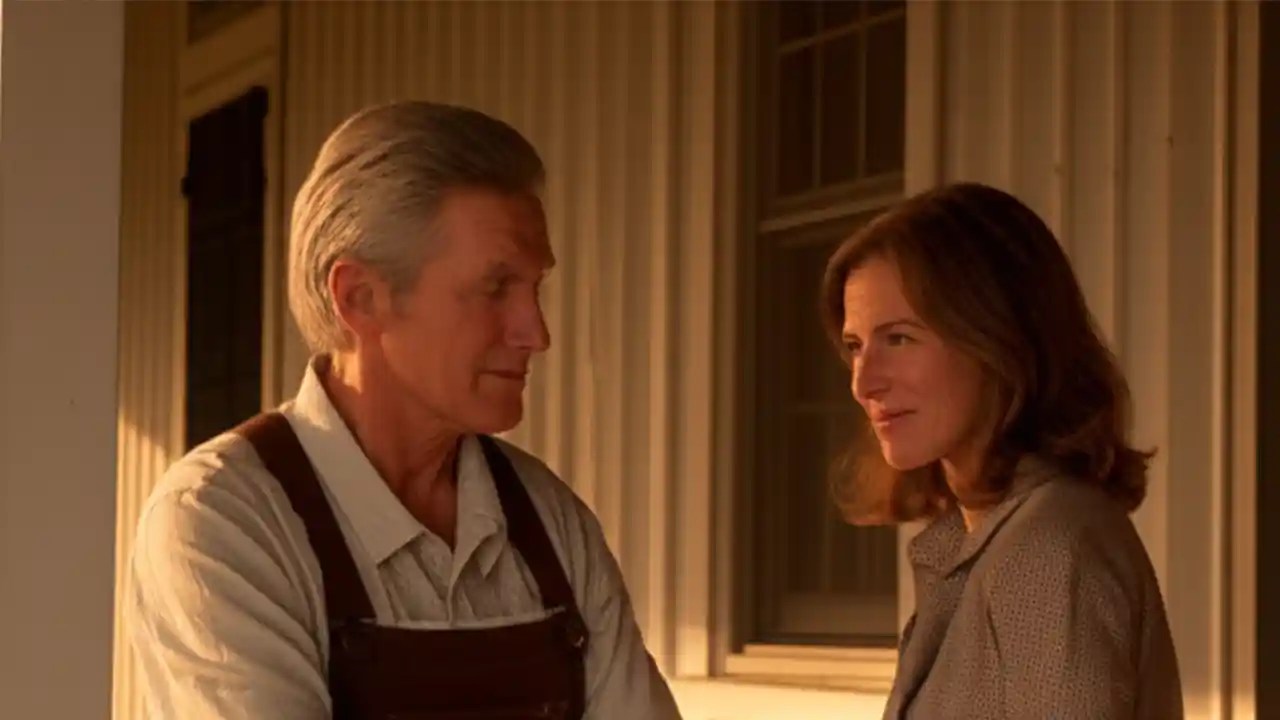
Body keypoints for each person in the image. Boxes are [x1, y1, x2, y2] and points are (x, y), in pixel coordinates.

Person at [126, 101, 682, 720]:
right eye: (496, 287)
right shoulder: (225, 523)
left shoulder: (554, 524)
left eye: (535, 287)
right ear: (360, 298)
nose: (536, 332)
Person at [820, 182, 1183, 719]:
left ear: (996, 338)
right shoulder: (977, 537)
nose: (863, 382)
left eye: (898, 338)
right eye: (855, 346)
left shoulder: (1050, 551)